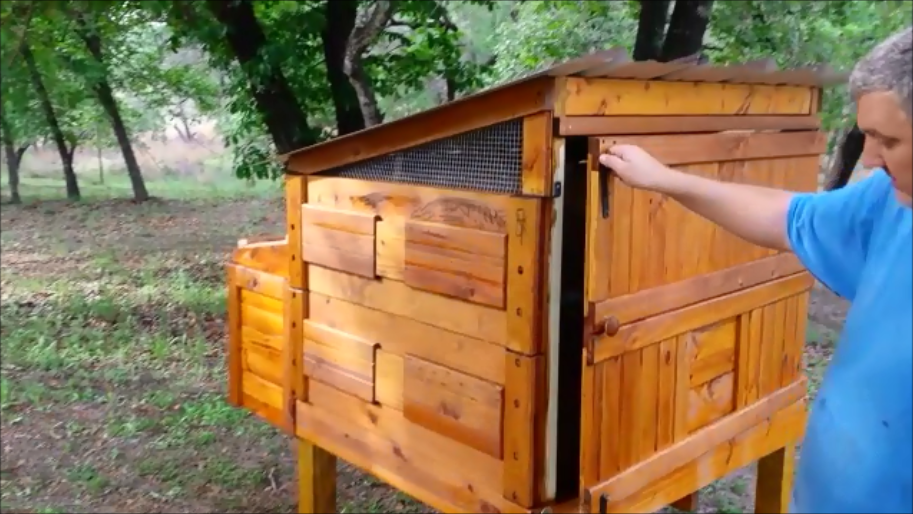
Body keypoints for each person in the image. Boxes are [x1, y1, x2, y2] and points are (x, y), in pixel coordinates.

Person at [599, 26, 912, 514]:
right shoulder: (890, 201)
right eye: (866, 136)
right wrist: (666, 180)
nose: (869, 159)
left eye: (887, 140)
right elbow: (788, 217)